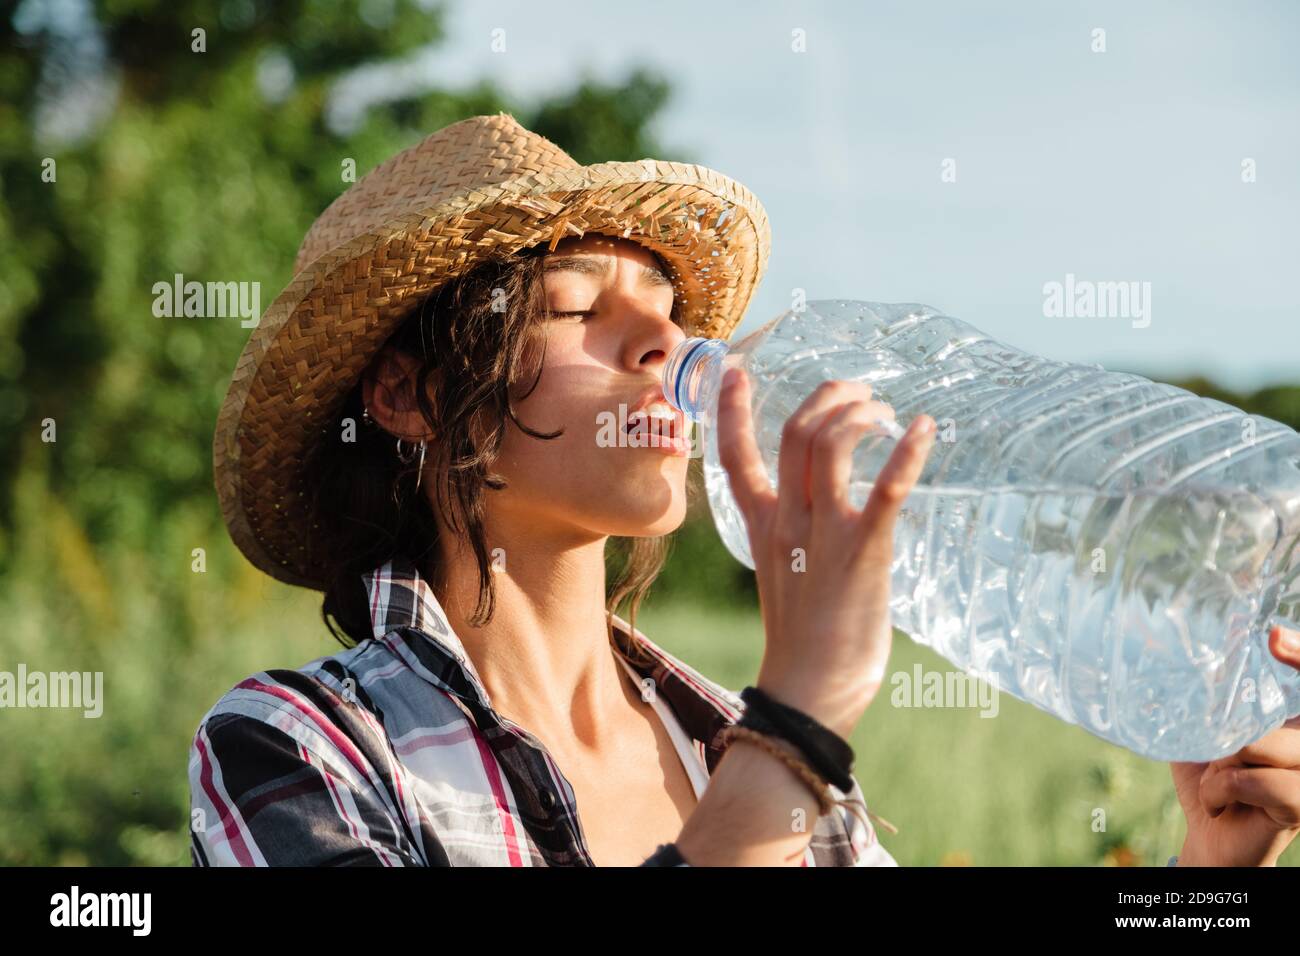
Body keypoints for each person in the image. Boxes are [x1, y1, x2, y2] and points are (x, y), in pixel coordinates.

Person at [190, 113, 1300, 867]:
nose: (663, 340)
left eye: (667, 304)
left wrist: (1205, 869)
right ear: (408, 396)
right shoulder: (304, 746)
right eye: (579, 307)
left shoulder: (737, 748)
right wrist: (794, 733)